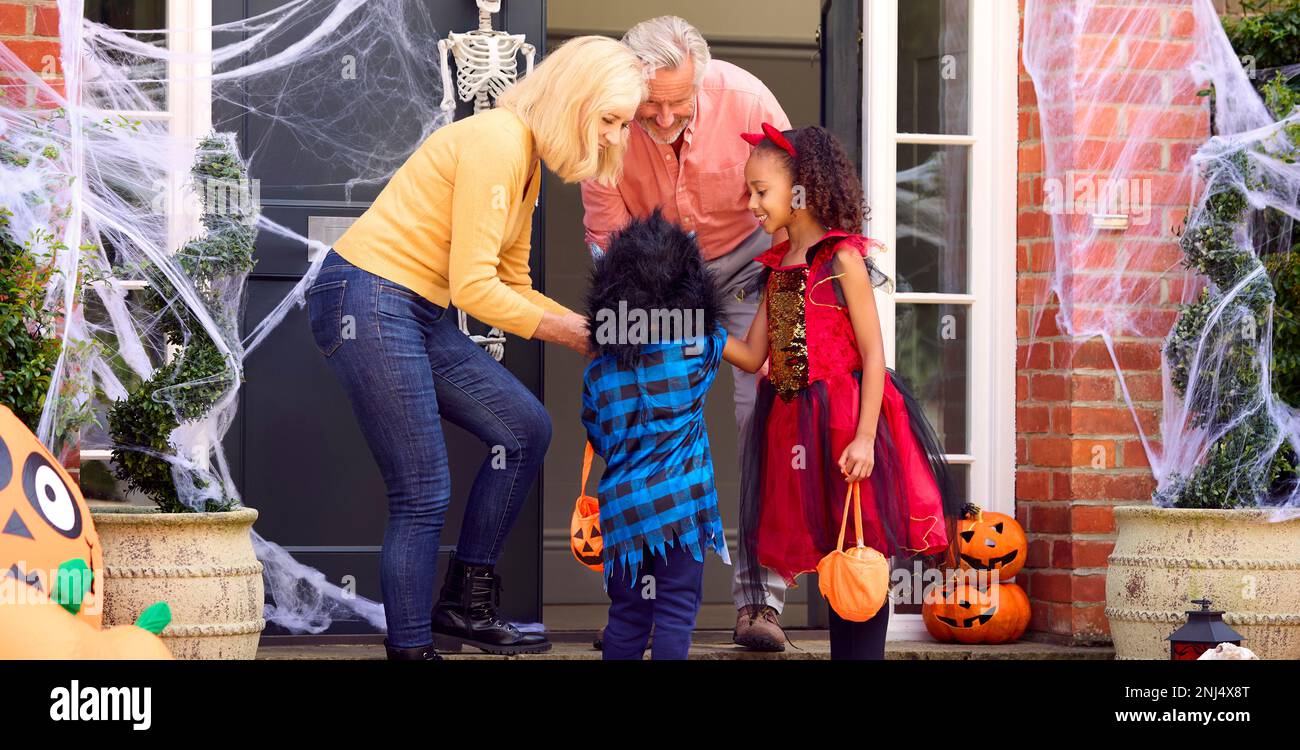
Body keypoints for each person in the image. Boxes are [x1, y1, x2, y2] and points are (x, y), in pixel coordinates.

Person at [305, 36, 646, 660]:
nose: (613, 138)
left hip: (412, 308)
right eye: (608, 119)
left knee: (524, 428)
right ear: (573, 100)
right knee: (423, 486)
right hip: (369, 297)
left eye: (622, 125)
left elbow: (512, 284)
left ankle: (466, 599)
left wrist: (590, 329)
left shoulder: (528, 166)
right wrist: (573, 334)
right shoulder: (498, 141)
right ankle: (411, 648)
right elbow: (476, 287)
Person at [580, 14, 794, 652]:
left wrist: (784, 291)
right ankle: (636, 603)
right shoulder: (608, 123)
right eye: (652, 104)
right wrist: (634, 323)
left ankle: (760, 603)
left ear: (700, 81)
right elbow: (608, 243)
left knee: (763, 416)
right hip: (660, 281)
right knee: (637, 412)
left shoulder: (748, 100)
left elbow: (790, 205)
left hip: (753, 270)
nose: (666, 117)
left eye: (679, 103)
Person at [721, 123, 964, 659]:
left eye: (762, 191)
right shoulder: (779, 265)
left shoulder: (842, 260)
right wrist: (696, 332)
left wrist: (864, 437)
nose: (753, 204)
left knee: (862, 547)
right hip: (791, 422)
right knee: (836, 553)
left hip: (848, 421)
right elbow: (753, 355)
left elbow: (875, 354)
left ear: (802, 187)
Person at [580, 210, 730, 660]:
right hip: (680, 512)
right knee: (676, 610)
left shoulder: (598, 371)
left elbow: (596, 431)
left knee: (626, 616)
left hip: (623, 514)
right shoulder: (696, 351)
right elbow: (722, 336)